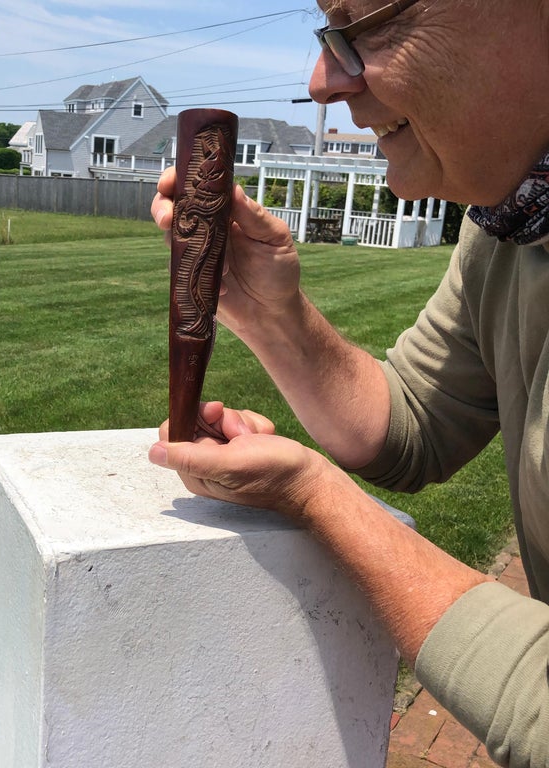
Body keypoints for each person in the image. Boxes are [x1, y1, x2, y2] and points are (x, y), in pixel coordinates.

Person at [148, 1, 549, 765]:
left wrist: (317, 496)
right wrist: (275, 317)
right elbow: (416, 427)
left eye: (365, 25)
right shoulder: (511, 218)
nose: (323, 80)